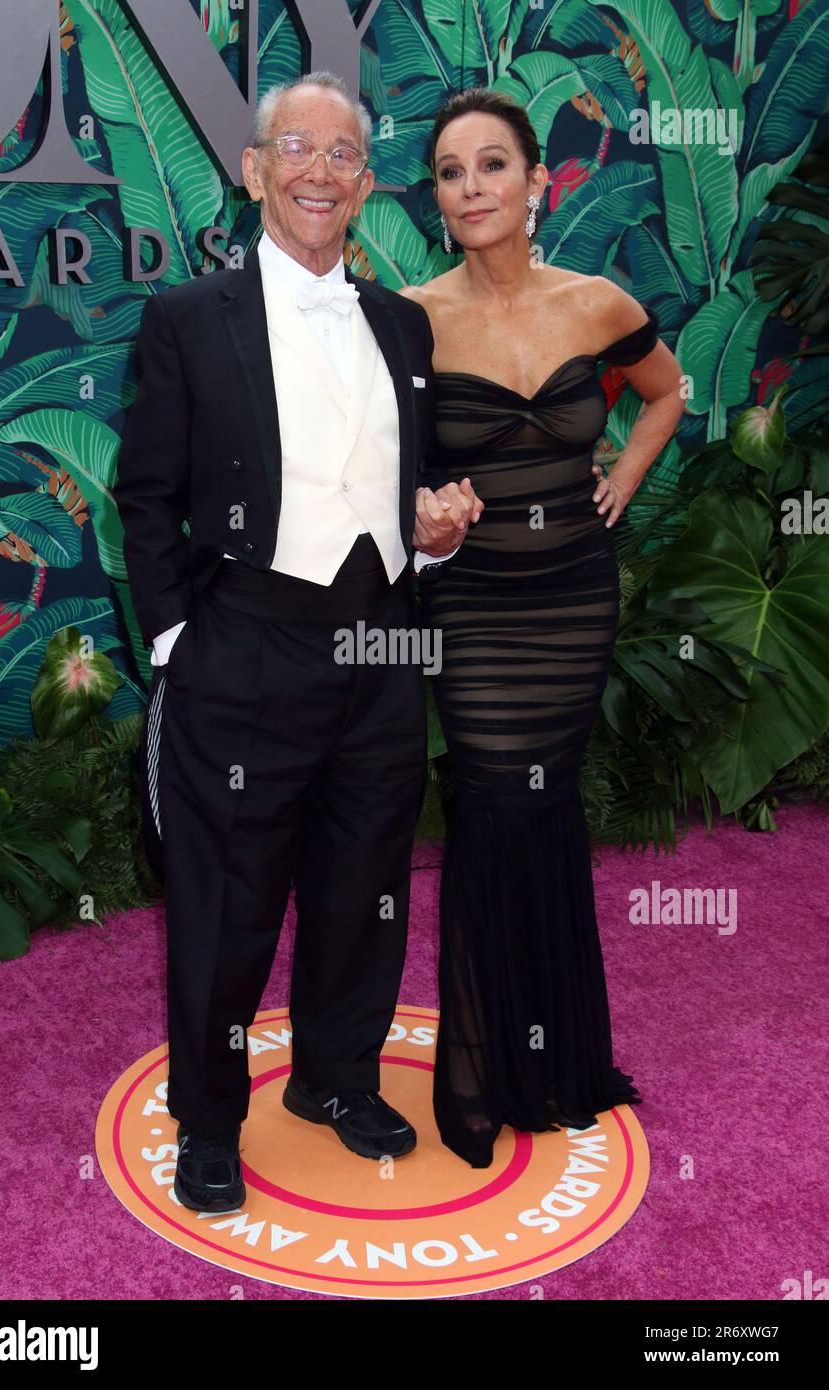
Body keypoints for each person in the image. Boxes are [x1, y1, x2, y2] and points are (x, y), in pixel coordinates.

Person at [113, 72, 483, 1212]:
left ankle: (335, 1077)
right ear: (254, 168)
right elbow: (144, 494)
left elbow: (407, 483)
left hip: (379, 652)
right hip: (245, 647)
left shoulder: (403, 322)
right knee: (226, 903)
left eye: (342, 156)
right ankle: (211, 1120)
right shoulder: (187, 319)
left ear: (367, 185)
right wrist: (181, 642)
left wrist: (433, 538)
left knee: (364, 884)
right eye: (296, 149)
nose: (319, 171)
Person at [400, 88, 685, 1168]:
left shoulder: (598, 304)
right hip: (472, 603)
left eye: (491, 166)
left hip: (573, 592)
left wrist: (625, 472)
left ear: (537, 184)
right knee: (487, 808)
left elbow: (665, 392)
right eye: (449, 172)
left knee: (545, 807)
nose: (470, 188)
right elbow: (379, 465)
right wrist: (426, 513)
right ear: (436, 198)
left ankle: (560, 1060)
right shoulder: (413, 317)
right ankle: (479, 1074)